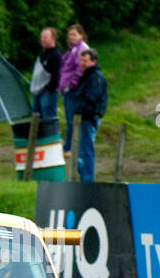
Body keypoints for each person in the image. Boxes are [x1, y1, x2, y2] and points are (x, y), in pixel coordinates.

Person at [69, 48, 107, 181]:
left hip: (89, 119)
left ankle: (87, 180)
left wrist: (79, 109)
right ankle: (84, 178)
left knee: (86, 150)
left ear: (94, 61)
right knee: (81, 150)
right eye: (81, 60)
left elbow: (92, 98)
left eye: (85, 61)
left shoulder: (95, 77)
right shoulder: (86, 76)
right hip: (83, 119)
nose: (82, 63)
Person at [58, 23, 90, 154]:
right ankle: (70, 145)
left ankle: (69, 147)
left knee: (72, 119)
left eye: (74, 34)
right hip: (66, 89)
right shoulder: (72, 49)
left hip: (74, 89)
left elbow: (80, 69)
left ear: (81, 35)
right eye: (69, 34)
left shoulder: (81, 49)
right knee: (69, 118)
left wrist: (71, 84)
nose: (71, 37)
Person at [30, 27, 61, 123]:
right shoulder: (43, 53)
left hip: (47, 93)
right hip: (38, 92)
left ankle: (51, 137)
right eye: (42, 37)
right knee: (36, 119)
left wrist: (48, 89)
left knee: (48, 119)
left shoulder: (56, 54)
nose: (42, 40)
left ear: (53, 39)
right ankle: (38, 137)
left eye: (45, 37)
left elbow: (57, 75)